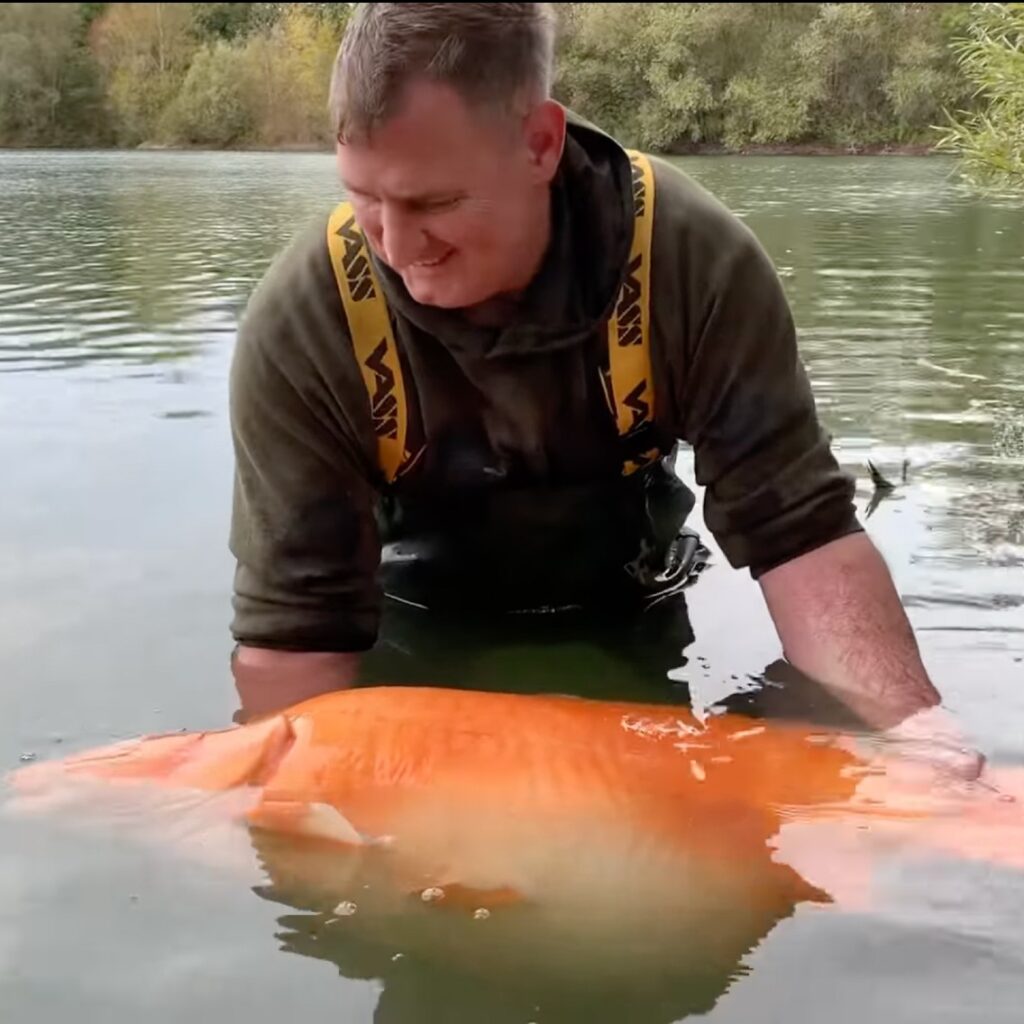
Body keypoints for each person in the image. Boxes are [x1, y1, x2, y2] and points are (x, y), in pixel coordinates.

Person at [226, 3, 977, 769]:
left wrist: (915, 748)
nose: (396, 245)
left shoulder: (691, 257)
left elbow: (803, 537)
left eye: (434, 203)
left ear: (541, 144)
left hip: (636, 608)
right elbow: (296, 637)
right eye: (363, 195)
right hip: (415, 629)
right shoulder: (306, 319)